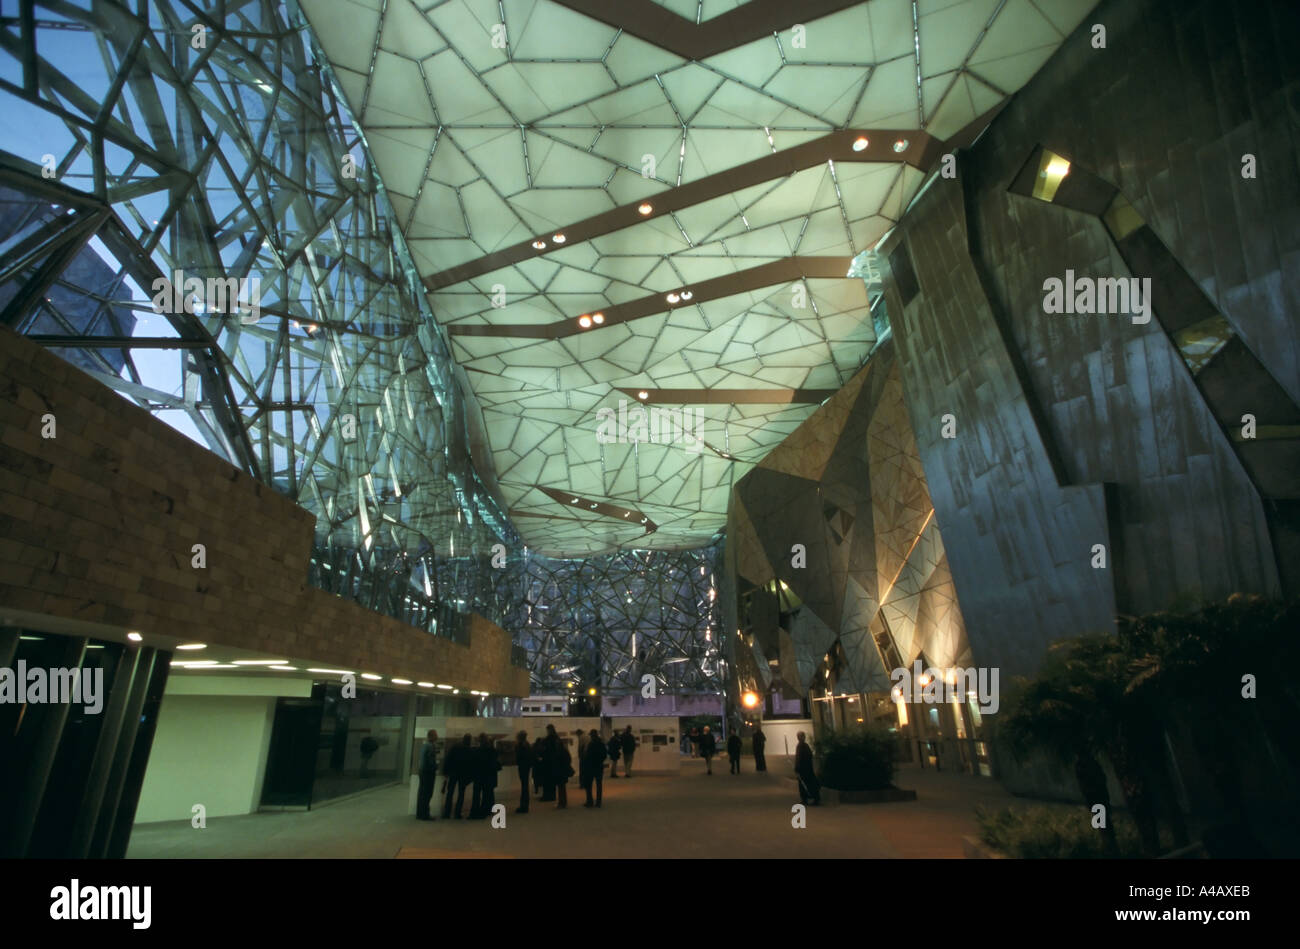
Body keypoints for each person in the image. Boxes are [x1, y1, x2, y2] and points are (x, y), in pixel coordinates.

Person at [441, 734, 473, 819]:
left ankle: (447, 813)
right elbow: (470, 765)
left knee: (450, 793)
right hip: (463, 775)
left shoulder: (455, 747)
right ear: (469, 741)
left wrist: (445, 772)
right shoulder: (469, 750)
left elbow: (448, 759)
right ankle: (457, 813)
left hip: (453, 773)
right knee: (461, 794)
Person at [470, 732, 501, 819]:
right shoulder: (492, 751)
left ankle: (476, 811)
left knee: (477, 794)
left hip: (479, 776)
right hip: (489, 776)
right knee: (487, 793)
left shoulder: (477, 751)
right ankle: (486, 810)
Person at [416, 729, 439, 820]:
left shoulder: (424, 745)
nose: (437, 737)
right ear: (432, 736)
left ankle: (420, 814)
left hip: (422, 771)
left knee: (422, 793)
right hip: (428, 773)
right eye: (436, 735)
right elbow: (431, 762)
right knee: (427, 794)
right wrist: (436, 767)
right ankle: (425, 815)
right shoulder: (431, 746)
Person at [580, 728, 606, 808]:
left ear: (592, 735)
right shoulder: (601, 744)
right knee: (599, 785)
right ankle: (598, 802)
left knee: (588, 784)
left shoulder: (591, 744)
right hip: (599, 766)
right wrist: (600, 761)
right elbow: (604, 755)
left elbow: (587, 756)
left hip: (590, 767)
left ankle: (589, 801)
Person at [794, 731, 821, 805]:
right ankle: (809, 798)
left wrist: (797, 768)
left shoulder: (802, 746)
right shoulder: (803, 746)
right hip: (806, 769)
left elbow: (799, 758)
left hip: (805, 769)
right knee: (807, 784)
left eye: (801, 736)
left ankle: (808, 799)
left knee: (806, 784)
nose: (800, 738)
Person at [514, 730, 535, 814]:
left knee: (524, 786)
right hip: (526, 767)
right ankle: (524, 805)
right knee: (525, 786)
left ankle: (524, 806)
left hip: (523, 767)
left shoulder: (521, 745)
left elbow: (519, 756)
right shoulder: (527, 744)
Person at [550, 731, 572, 809]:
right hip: (562, 771)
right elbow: (568, 759)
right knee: (562, 787)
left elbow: (558, 761)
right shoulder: (564, 750)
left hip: (560, 772)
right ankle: (563, 802)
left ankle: (561, 803)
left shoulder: (559, 752)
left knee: (561, 788)